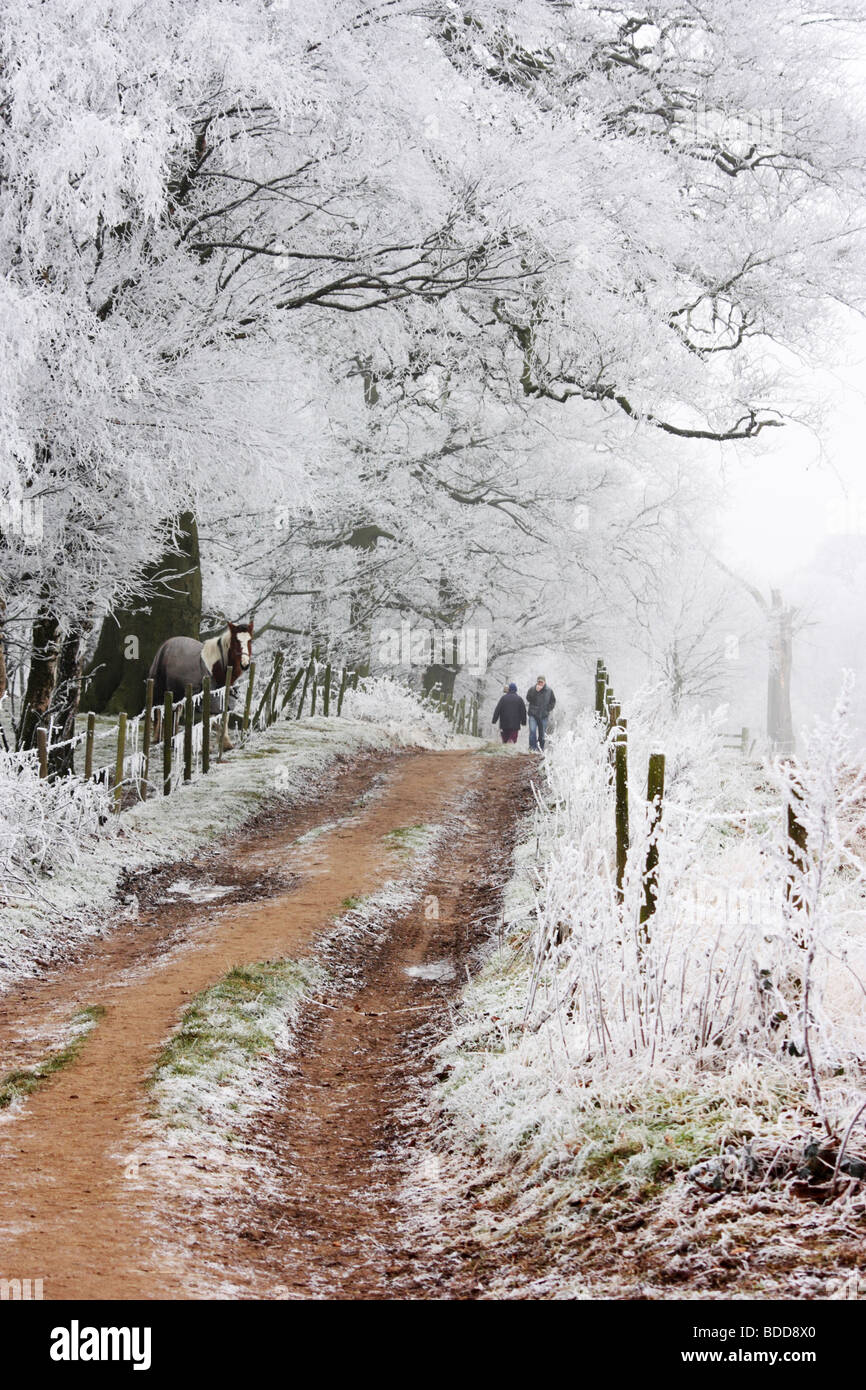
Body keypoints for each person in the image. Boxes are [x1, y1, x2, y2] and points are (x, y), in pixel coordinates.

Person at [526, 674, 555, 752]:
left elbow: (553, 701)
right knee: (532, 731)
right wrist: (535, 692)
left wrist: (548, 709)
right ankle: (532, 748)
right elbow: (528, 698)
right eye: (539, 682)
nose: (540, 683)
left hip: (543, 716)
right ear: (537, 682)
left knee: (542, 734)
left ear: (544, 682)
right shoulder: (532, 689)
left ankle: (540, 749)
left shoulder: (549, 690)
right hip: (533, 714)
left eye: (542, 682)